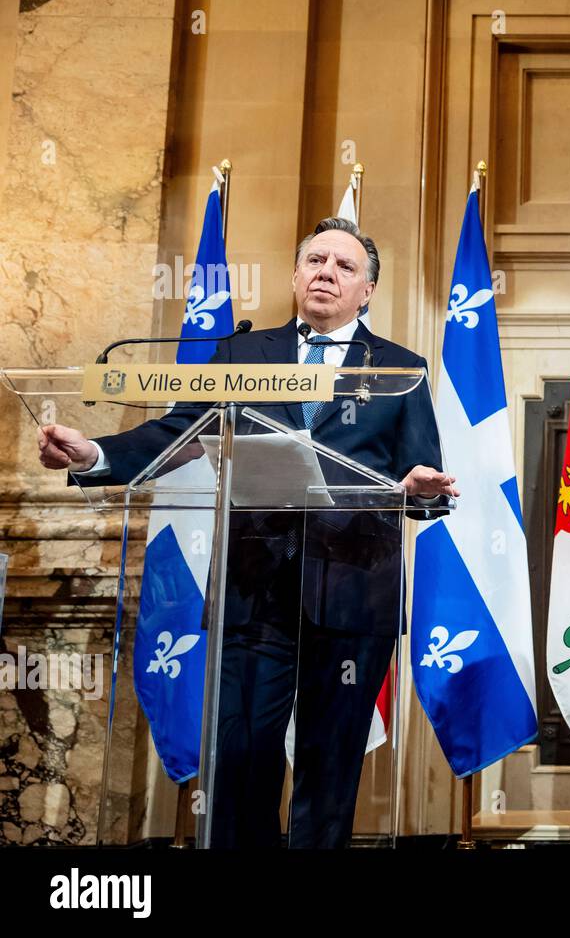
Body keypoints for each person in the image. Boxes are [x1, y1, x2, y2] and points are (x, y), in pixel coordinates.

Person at [36, 217, 459, 847]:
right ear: (294, 276)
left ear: (367, 291)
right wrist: (94, 453)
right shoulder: (242, 355)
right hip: (253, 591)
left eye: (344, 267)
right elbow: (175, 436)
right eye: (316, 261)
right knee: (240, 763)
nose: (326, 273)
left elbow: (421, 481)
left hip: (349, 593)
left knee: (329, 764)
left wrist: (421, 497)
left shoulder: (401, 370)